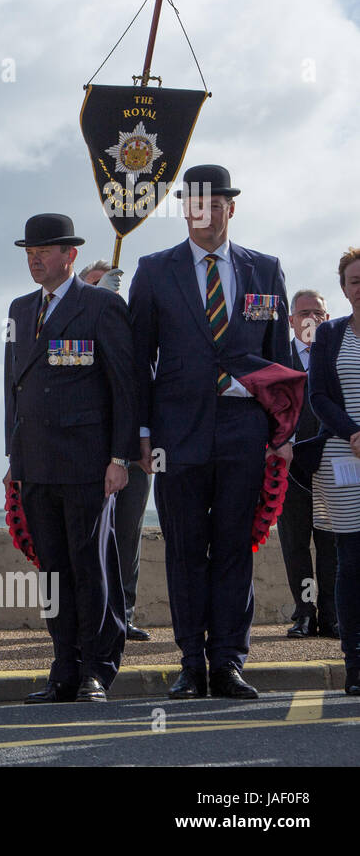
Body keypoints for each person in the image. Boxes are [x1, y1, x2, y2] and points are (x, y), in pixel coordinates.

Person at [128, 164, 291, 700]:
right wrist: (144, 433)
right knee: (184, 548)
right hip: (177, 435)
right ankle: (191, 663)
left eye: (214, 204)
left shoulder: (265, 270)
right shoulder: (154, 271)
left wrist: (283, 433)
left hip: (245, 431)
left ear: (230, 208)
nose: (204, 214)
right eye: (193, 204)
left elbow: (281, 360)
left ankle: (227, 662)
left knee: (234, 550)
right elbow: (137, 361)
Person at [4, 214, 132, 703]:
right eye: (30, 252)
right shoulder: (19, 310)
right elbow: (13, 387)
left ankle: (97, 669)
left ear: (70, 255)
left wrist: (120, 456)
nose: (35, 259)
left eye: (45, 251)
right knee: (53, 570)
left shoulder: (100, 305)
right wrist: (12, 455)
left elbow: (125, 385)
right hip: (35, 460)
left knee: (89, 566)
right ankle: (63, 667)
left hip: (86, 462)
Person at [80, 259, 152, 642]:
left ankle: (124, 613)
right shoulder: (72, 321)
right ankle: (90, 615)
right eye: (92, 285)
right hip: (88, 447)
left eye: (106, 286)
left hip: (132, 447)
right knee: (88, 536)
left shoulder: (133, 327)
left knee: (128, 534)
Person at [304, 249, 360, 695]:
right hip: (344, 459)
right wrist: (354, 434)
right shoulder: (329, 335)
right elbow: (318, 396)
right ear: (344, 288)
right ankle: (356, 665)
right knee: (351, 562)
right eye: (354, 280)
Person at [280, 289, 337, 638]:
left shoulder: (335, 356)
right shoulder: (277, 357)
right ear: (290, 320)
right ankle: (304, 611)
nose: (311, 319)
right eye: (303, 313)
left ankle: (331, 614)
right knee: (295, 543)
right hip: (289, 470)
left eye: (317, 313)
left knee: (330, 542)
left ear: (327, 319)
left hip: (331, 466)